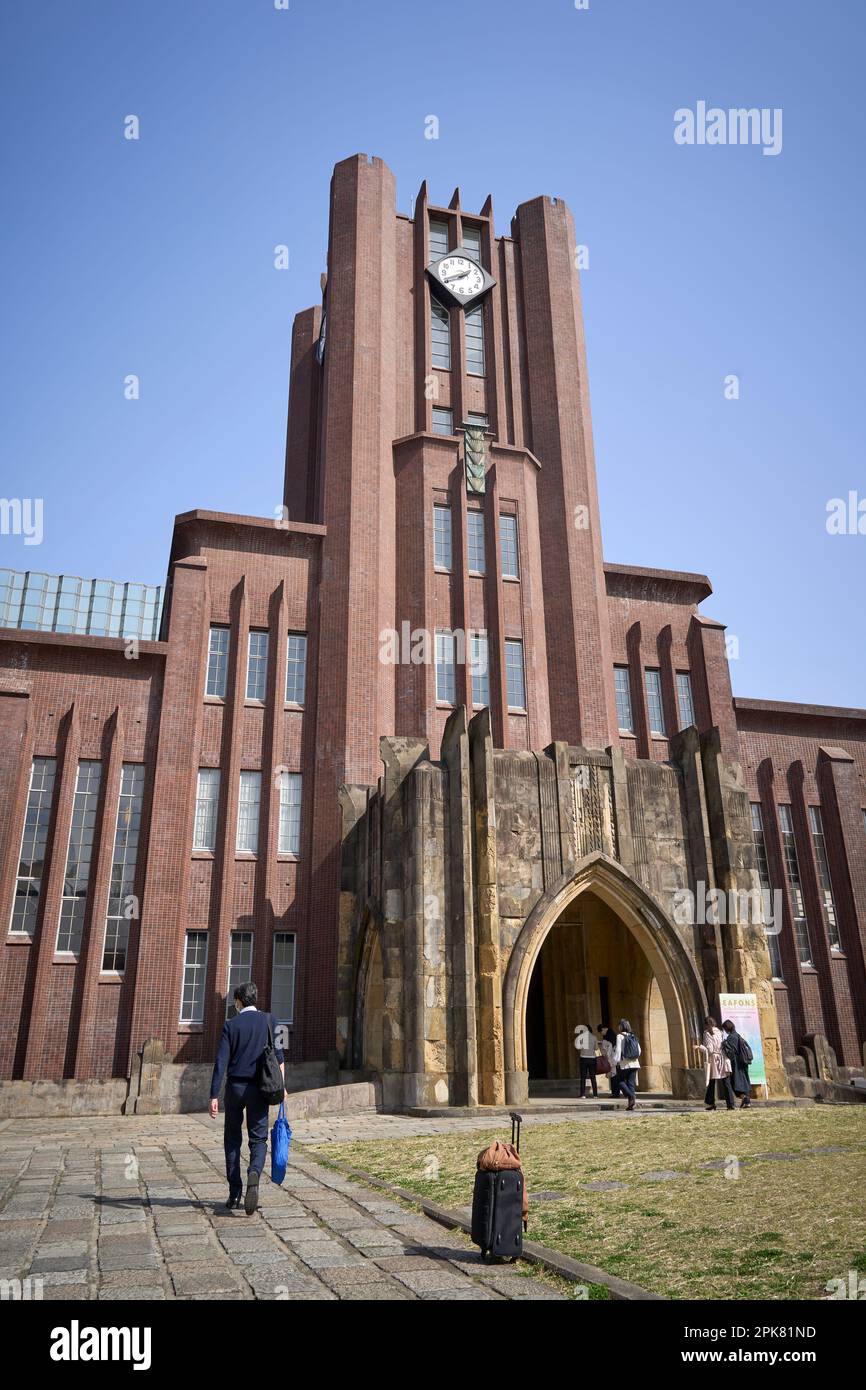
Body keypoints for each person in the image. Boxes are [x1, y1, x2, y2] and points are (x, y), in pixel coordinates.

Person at [209, 981, 285, 1214]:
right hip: (260, 1089)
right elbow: (280, 1057)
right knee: (258, 1139)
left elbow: (221, 1061)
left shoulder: (230, 1025)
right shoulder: (272, 1021)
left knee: (232, 1139)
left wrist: (214, 1094)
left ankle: (234, 1193)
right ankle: (254, 1172)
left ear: (239, 1002)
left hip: (235, 1088)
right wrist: (282, 1087)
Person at [701, 1015, 736, 1111]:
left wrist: (699, 1047)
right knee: (726, 1082)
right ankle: (730, 1104)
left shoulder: (707, 1033)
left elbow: (710, 1049)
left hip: (714, 1060)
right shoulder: (720, 1032)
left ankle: (711, 1103)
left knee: (712, 1082)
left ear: (706, 1024)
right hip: (724, 1058)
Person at [722, 1018, 752, 1108]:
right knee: (744, 1081)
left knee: (735, 1083)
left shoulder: (731, 1038)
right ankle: (747, 1101)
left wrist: (724, 1044)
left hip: (736, 1063)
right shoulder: (738, 1036)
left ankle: (745, 1098)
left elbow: (731, 1052)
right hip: (743, 1062)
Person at [612, 1017, 641, 1111]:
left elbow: (618, 1050)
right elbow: (639, 1050)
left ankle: (631, 1096)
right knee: (631, 1084)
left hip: (625, 1064)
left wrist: (614, 1062)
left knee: (618, 1080)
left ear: (621, 1027)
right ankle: (631, 1104)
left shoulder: (619, 1036)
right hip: (635, 1063)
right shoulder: (633, 1036)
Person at [575, 1023, 598, 1098]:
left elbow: (578, 1047)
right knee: (593, 1076)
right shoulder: (594, 1037)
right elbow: (596, 1048)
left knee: (583, 1077)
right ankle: (595, 1094)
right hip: (592, 1058)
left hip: (583, 1058)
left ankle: (583, 1094)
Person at [597, 1023, 617, 1095]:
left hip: (611, 1058)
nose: (601, 1034)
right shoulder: (612, 1034)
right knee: (614, 1075)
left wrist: (606, 1056)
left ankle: (615, 1093)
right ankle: (615, 1093)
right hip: (615, 1058)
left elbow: (610, 1046)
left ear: (602, 1029)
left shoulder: (608, 1036)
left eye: (601, 1032)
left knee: (613, 1076)